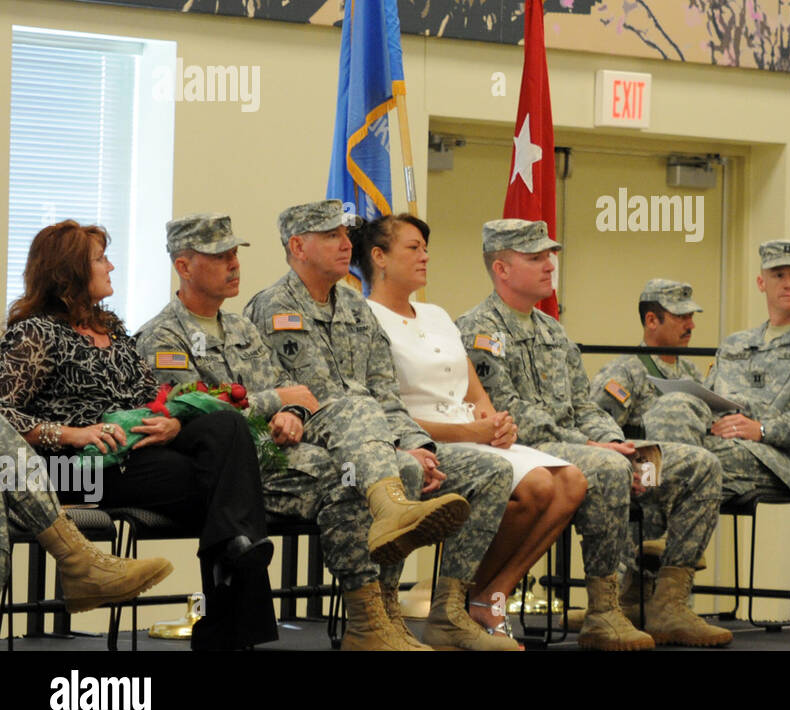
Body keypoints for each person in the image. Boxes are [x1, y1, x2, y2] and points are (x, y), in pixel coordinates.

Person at [136, 212, 470, 651]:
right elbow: (190, 412)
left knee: (386, 463)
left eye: (235, 254)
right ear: (184, 266)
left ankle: (379, 614)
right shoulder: (162, 335)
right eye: (219, 256)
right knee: (349, 453)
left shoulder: (237, 327)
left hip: (279, 449)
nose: (234, 264)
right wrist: (281, 402)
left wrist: (290, 408)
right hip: (232, 472)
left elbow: (284, 389)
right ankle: (367, 616)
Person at [244, 200, 518, 650]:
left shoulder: (356, 306)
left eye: (346, 234)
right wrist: (395, 453)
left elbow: (385, 395)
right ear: (298, 246)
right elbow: (275, 407)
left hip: (377, 444)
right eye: (331, 236)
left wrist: (416, 445)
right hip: (304, 444)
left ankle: (446, 612)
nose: (346, 244)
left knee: (490, 472)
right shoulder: (269, 309)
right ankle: (373, 617)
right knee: (381, 444)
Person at [0, 221, 277, 650]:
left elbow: (153, 395)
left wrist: (171, 422)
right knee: (226, 484)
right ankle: (235, 595)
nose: (111, 266)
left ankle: (238, 551)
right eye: (100, 259)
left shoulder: (112, 327)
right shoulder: (34, 332)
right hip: (77, 467)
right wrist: (72, 434)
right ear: (68, 269)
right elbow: (2, 412)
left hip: (137, 448)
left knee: (226, 424)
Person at [457, 218, 729, 649]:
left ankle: (667, 604)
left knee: (699, 465)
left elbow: (583, 405)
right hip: (528, 450)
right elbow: (507, 412)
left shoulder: (553, 331)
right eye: (535, 258)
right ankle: (605, 610)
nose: (550, 265)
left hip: (582, 444)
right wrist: (597, 447)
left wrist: (613, 439)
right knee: (607, 467)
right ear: (501, 269)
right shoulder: (479, 331)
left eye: (550, 256)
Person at [355, 213, 587, 646]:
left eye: (426, 247)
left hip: (472, 435)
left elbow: (474, 391)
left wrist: (493, 421)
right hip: (420, 441)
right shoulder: (366, 318)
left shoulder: (437, 314)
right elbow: (385, 410)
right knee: (536, 488)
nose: (425, 255)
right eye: (413, 248)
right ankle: (454, 606)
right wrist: (471, 435)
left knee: (571, 481)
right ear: (379, 257)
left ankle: (491, 594)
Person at [641, 240, 790, 506]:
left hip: (779, 460)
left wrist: (762, 429)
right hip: (719, 442)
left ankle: (658, 539)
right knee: (663, 426)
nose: (788, 283)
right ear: (761, 283)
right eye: (778, 275)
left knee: (664, 464)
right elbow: (705, 404)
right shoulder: (736, 343)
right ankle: (663, 541)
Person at [0, 419, 173, 615]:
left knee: (205, 454)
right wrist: (70, 434)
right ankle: (78, 563)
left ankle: (78, 563)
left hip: (115, 452)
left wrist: (174, 423)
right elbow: (8, 410)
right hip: (67, 462)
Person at [589, 279, 706, 440]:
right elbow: (596, 430)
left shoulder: (692, 372)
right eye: (681, 317)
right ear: (651, 320)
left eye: (691, 316)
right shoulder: (624, 372)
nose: (691, 325)